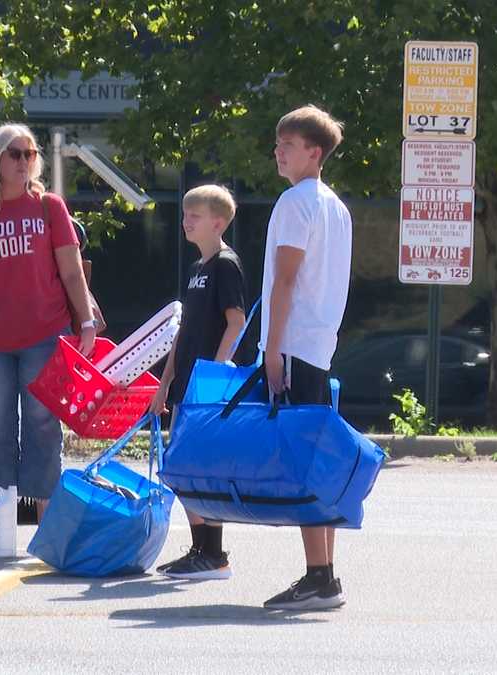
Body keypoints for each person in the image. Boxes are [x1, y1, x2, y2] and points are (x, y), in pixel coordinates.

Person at [0, 123, 97, 520]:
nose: (25, 162)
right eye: (16, 153)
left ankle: (49, 524)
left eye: (30, 154)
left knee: (43, 426)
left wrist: (85, 323)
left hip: (45, 334)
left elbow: (72, 271)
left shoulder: (49, 206)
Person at [259, 105, 353, 611]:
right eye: (279, 144)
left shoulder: (296, 201)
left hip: (296, 346)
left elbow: (286, 281)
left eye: (288, 145)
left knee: (301, 463)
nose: (279, 152)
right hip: (318, 346)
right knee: (314, 460)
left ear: (313, 153)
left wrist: (272, 348)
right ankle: (325, 576)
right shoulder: (335, 205)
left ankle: (319, 577)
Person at [149, 184, 246, 580]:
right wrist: (163, 385)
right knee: (184, 468)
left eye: (196, 216)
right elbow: (184, 332)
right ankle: (200, 549)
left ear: (218, 223)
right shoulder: (195, 271)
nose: (186, 221)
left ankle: (213, 553)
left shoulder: (225, 264)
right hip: (184, 385)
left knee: (200, 468)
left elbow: (236, 322)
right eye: (185, 214)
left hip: (205, 387)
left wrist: (214, 376)